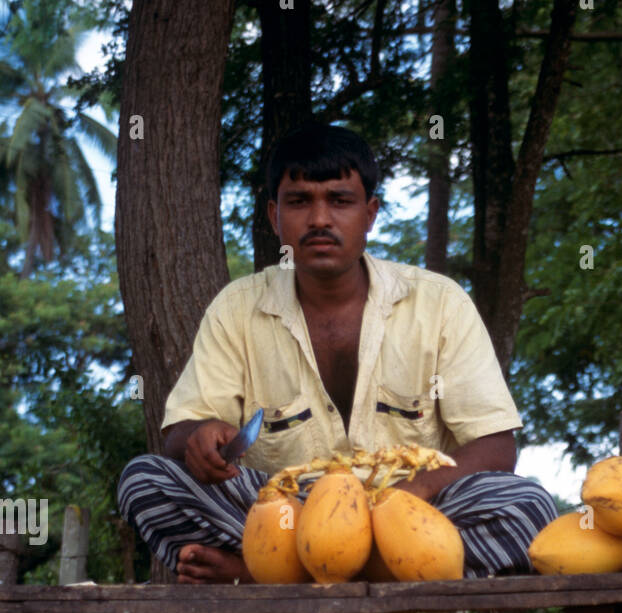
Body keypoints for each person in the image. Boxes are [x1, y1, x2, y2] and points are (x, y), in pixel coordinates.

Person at [118, 122, 557, 583]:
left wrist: (417, 489)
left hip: (413, 512)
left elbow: (496, 445)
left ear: (370, 215)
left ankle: (277, 579)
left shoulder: (439, 302)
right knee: (145, 480)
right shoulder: (237, 308)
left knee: (525, 507)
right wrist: (200, 435)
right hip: (288, 518)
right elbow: (179, 435)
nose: (320, 219)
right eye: (300, 201)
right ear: (274, 216)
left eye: (339, 201)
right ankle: (363, 575)